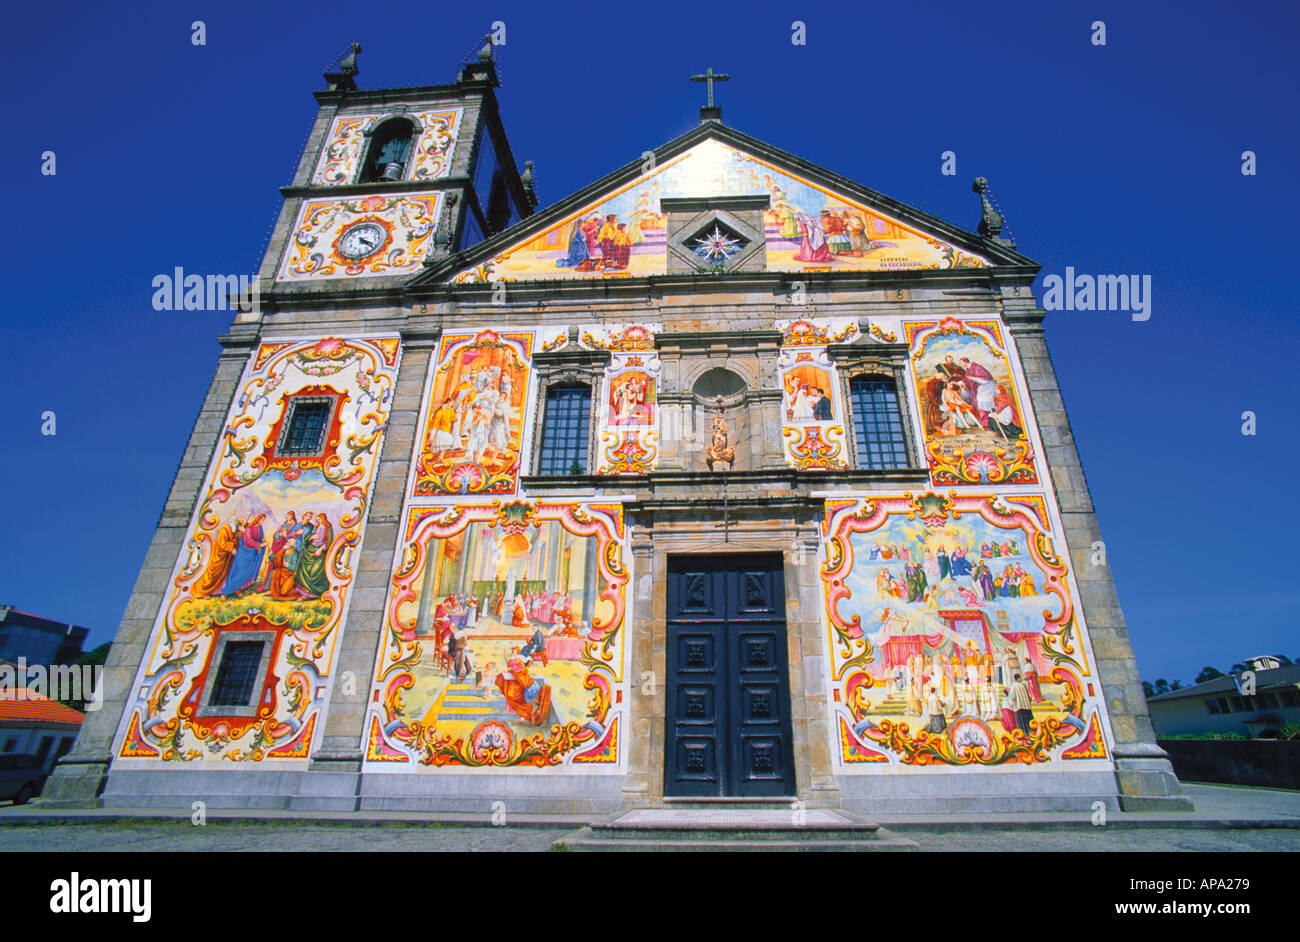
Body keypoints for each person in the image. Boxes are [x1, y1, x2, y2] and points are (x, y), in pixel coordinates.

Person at [496, 649, 551, 726]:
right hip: (515, 680)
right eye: (513, 652)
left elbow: (520, 671)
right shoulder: (512, 659)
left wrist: (511, 670)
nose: (513, 653)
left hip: (522, 682)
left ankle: (524, 714)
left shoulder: (519, 660)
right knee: (503, 680)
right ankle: (505, 695)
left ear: (517, 653)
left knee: (513, 695)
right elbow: (510, 665)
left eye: (515, 652)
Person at [220, 513, 267, 596]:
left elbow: (261, 538)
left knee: (247, 572)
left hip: (253, 554)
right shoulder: (250, 528)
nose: (262, 521)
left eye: (263, 520)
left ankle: (239, 588)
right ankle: (227, 591)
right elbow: (247, 540)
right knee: (239, 571)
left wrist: (263, 544)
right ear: (258, 519)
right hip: (244, 552)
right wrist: (259, 545)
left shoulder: (260, 528)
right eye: (261, 519)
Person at [194, 520, 239, 597]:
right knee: (212, 575)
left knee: (223, 575)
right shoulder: (223, 530)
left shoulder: (233, 531)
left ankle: (218, 590)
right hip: (218, 556)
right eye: (238, 528)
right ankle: (202, 592)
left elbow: (233, 540)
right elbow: (222, 544)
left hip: (226, 557)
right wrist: (231, 548)